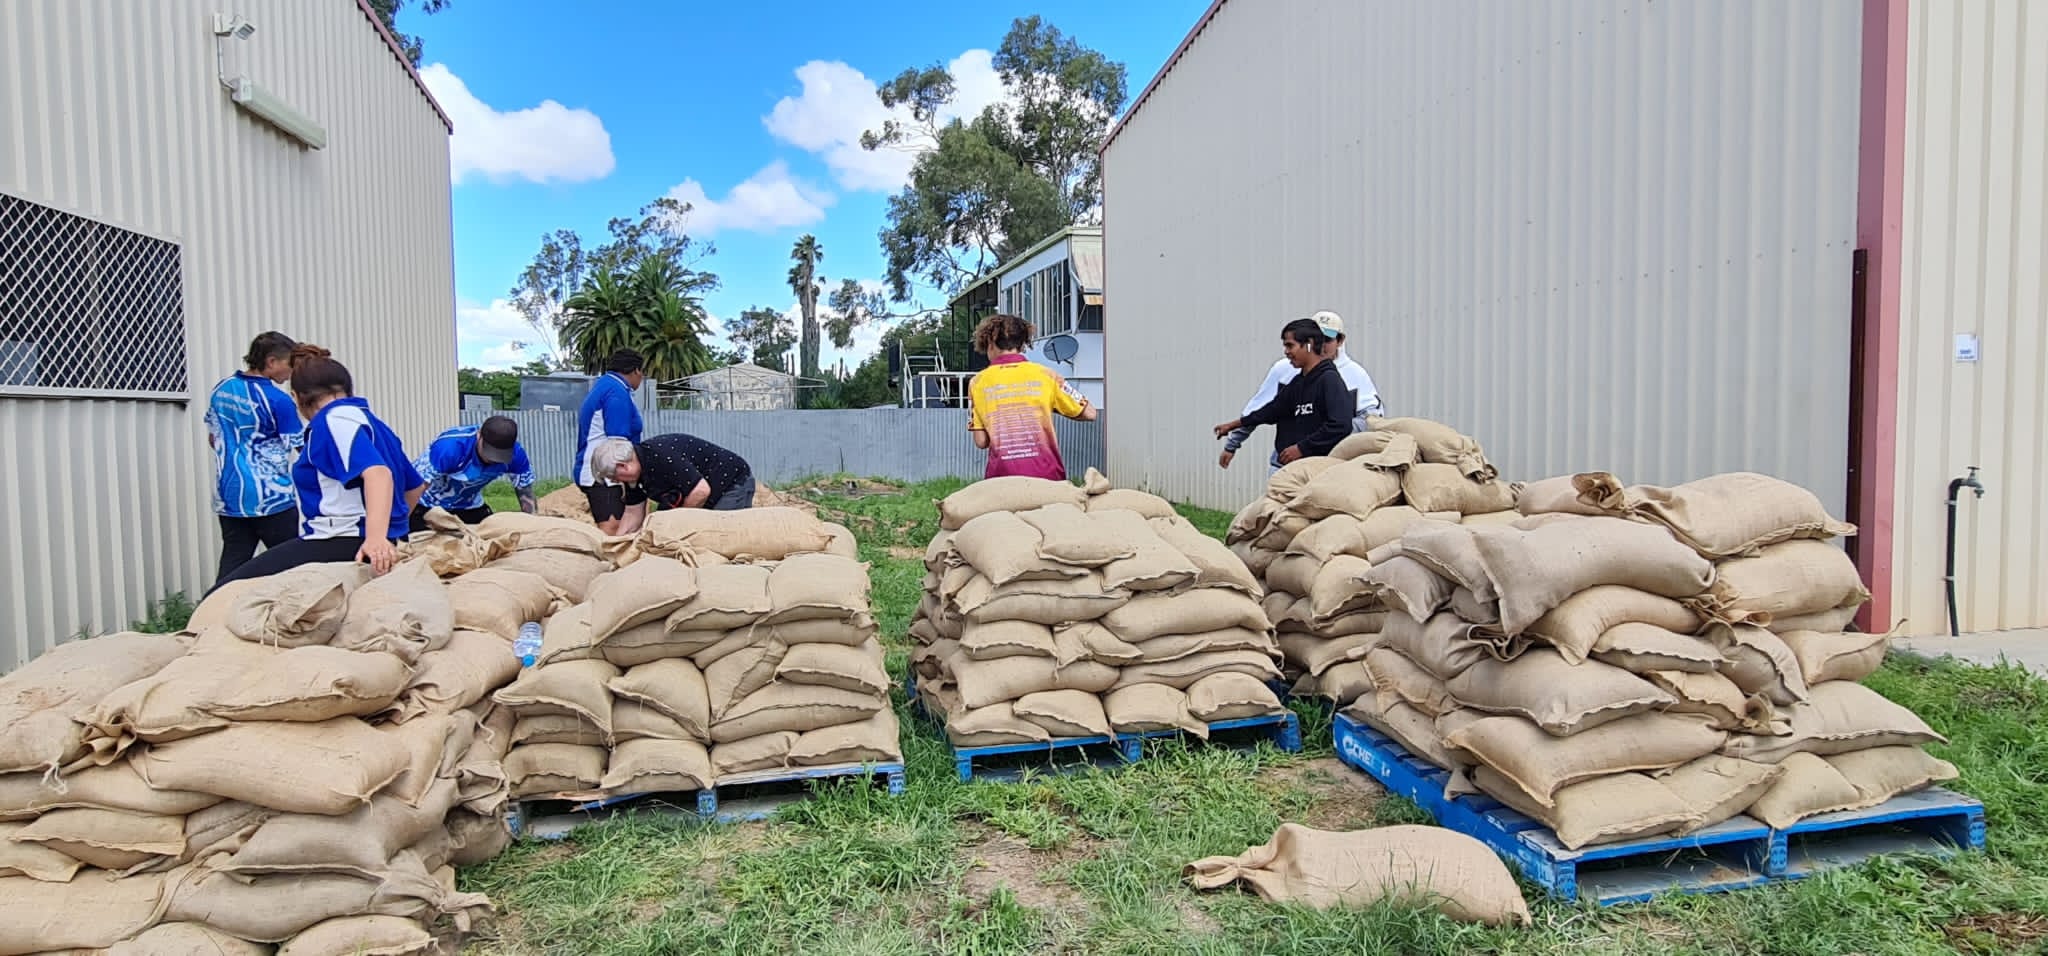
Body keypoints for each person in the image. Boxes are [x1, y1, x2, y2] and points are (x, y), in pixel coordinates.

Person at [209, 345, 424, 591]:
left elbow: (378, 474)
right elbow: (414, 487)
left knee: (222, 592)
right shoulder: (374, 424)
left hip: (341, 539)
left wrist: (375, 538)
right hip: (367, 538)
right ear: (346, 389)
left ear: (296, 397)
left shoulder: (333, 421)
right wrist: (390, 532)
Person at [1218, 310, 1383, 470]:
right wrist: (1233, 429)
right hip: (1286, 464)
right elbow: (1269, 410)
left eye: (1327, 339)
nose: (1322, 345)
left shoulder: (1336, 378)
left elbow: (1343, 424)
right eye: (1319, 338)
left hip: (1321, 467)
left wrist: (1304, 448)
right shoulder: (1295, 376)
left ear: (1340, 341)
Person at [205, 331, 306, 586]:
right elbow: (301, 449)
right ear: (271, 362)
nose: (291, 372)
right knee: (292, 568)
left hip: (230, 496)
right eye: (288, 364)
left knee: (233, 564)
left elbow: (213, 438)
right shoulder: (278, 400)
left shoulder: (222, 389)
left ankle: (211, 617)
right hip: (272, 497)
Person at [964, 313, 1098, 481]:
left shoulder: (977, 383)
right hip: (1047, 477)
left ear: (990, 343)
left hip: (1001, 480)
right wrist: (1048, 406)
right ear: (1022, 344)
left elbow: (981, 441)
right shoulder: (1047, 375)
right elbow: (1090, 413)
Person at [588, 433, 755, 532]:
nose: (615, 481)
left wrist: (675, 524)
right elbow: (633, 513)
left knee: (720, 533)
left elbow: (700, 491)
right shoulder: (634, 478)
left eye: (613, 476)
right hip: (703, 492)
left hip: (731, 482)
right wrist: (617, 545)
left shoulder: (660, 455)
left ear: (623, 466)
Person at [406, 415, 538, 533]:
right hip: (425, 505)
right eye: (489, 452)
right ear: (479, 435)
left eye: (500, 456)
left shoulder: (516, 455)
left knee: (491, 540)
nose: (492, 459)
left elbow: (525, 493)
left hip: (469, 505)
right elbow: (416, 486)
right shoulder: (450, 447)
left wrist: (534, 526)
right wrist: (399, 524)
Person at [573, 349, 646, 535]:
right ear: (636, 370)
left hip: (606, 470)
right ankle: (612, 562)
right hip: (607, 472)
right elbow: (617, 441)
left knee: (626, 525)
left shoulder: (607, 386)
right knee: (613, 528)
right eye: (642, 372)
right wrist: (625, 479)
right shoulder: (615, 392)